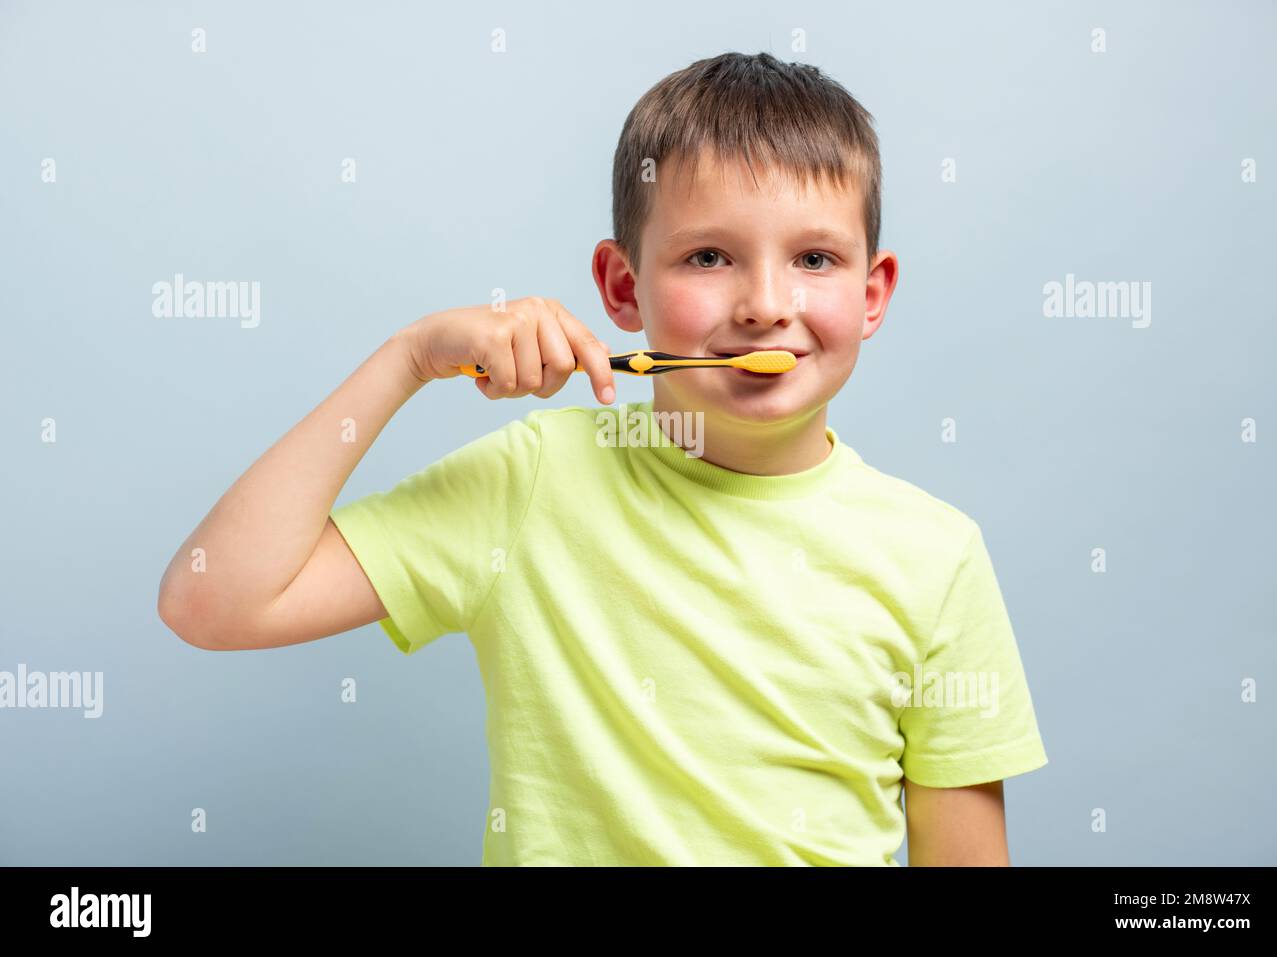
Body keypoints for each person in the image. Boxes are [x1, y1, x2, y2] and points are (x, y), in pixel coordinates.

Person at [158, 51, 1048, 866]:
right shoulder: (532, 481)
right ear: (624, 288)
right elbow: (213, 598)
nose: (766, 305)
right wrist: (408, 361)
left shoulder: (938, 556)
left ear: (872, 292)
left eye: (815, 258)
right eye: (709, 257)